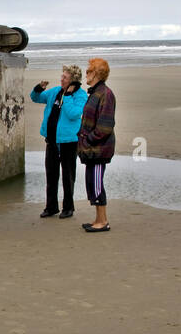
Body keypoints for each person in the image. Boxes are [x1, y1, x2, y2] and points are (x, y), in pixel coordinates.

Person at [30, 64, 88, 218]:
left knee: (68, 176)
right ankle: (51, 207)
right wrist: (39, 88)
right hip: (51, 141)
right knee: (51, 175)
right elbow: (36, 98)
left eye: (65, 77)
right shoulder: (55, 91)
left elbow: (74, 114)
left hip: (68, 142)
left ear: (73, 81)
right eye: (62, 76)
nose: (61, 79)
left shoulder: (81, 95)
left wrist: (68, 97)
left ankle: (68, 208)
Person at [77, 58, 116, 233]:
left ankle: (103, 221)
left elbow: (105, 127)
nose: (86, 74)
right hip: (91, 149)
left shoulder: (105, 94)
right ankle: (99, 219)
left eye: (89, 71)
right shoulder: (94, 93)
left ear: (97, 73)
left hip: (99, 149)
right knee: (92, 183)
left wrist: (88, 139)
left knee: (97, 184)